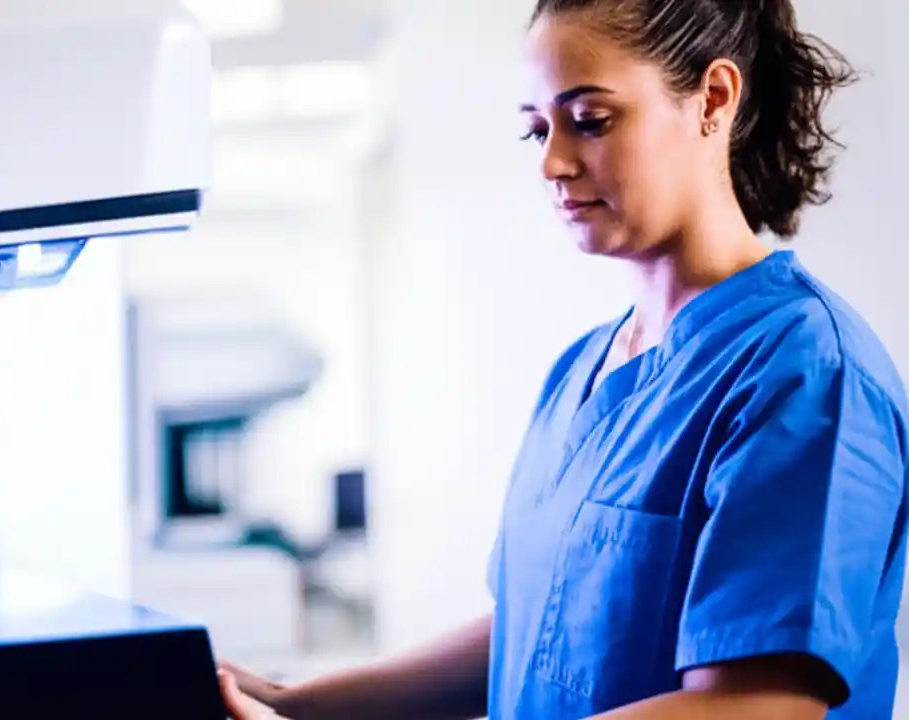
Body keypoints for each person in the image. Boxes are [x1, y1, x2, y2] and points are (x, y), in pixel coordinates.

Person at [218, 0, 909, 718]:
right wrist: (293, 705)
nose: (552, 162)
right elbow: (532, 633)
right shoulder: (581, 371)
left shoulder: (805, 374)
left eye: (591, 121)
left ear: (713, 98)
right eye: (538, 129)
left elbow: (757, 707)